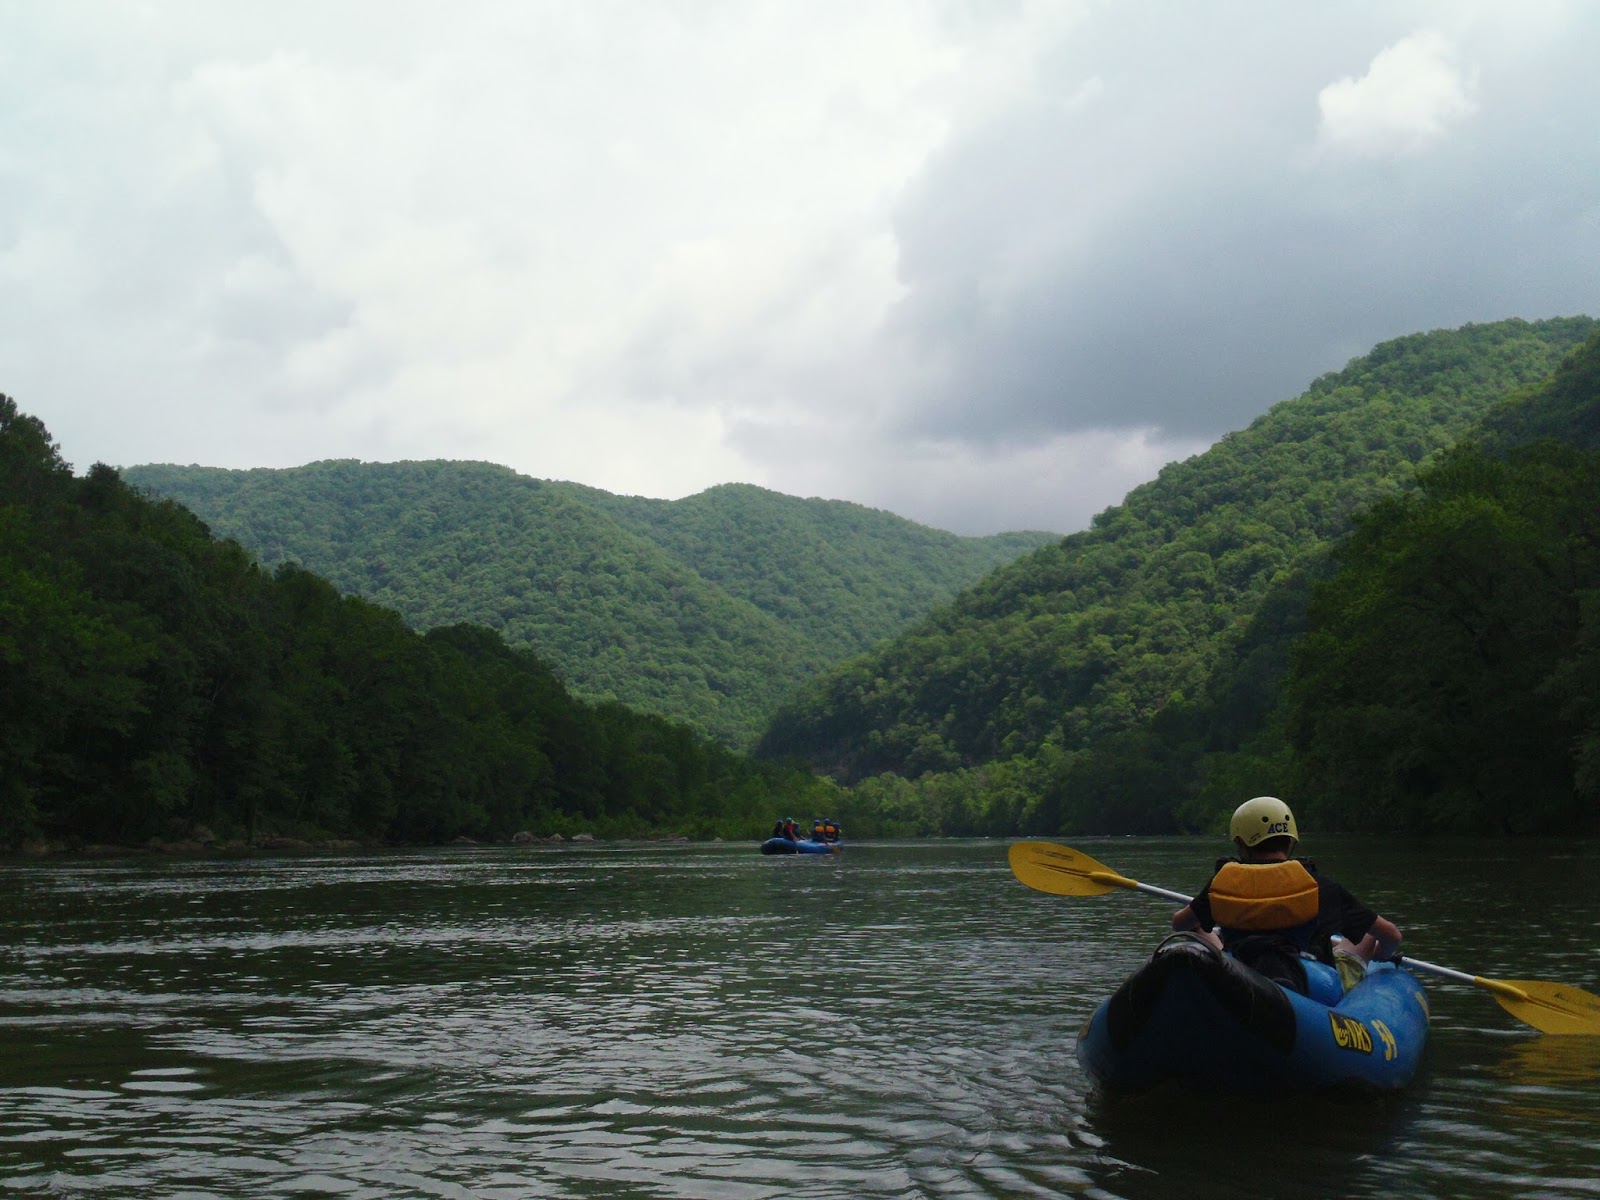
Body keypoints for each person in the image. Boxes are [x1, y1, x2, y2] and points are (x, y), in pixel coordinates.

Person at [1170, 795, 1402, 995]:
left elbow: (1179, 923)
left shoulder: (1223, 883)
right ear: (1291, 840)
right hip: (1314, 980)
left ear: (1240, 843)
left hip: (1241, 970)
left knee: (1197, 926)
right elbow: (1392, 935)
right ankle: (1350, 957)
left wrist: (1207, 906)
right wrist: (1381, 957)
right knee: (1369, 935)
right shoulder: (1319, 886)